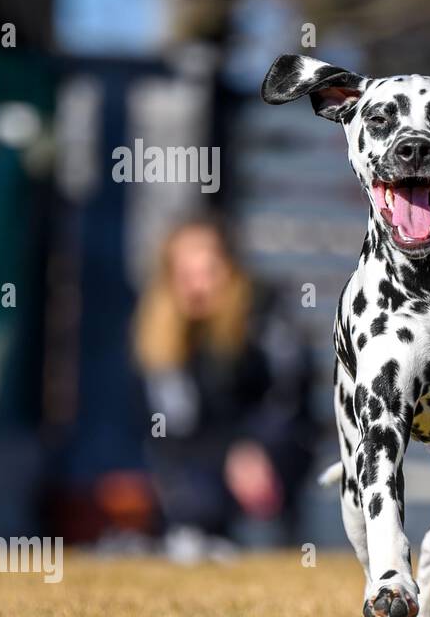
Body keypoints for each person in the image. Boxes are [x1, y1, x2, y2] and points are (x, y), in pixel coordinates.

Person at [133, 218, 315, 561]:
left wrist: (255, 447)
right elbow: (172, 429)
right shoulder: (161, 341)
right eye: (186, 275)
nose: (199, 286)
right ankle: (194, 534)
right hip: (205, 466)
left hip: (272, 455)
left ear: (230, 270)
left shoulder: (265, 316)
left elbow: (288, 398)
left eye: (208, 272)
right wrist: (225, 455)